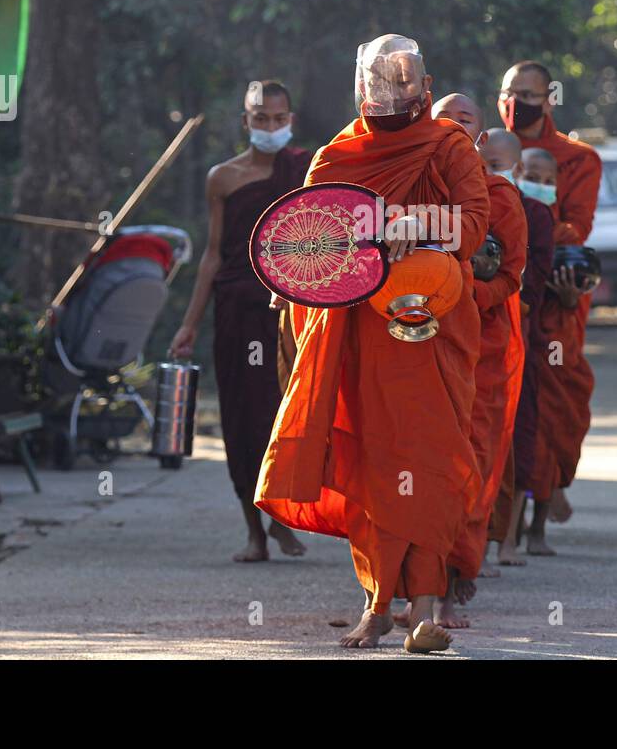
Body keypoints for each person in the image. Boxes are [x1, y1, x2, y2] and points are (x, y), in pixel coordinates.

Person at [254, 35, 488, 653]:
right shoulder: (338, 155)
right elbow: (309, 236)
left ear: (426, 85)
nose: (391, 97)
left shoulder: (448, 145)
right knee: (372, 464)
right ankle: (377, 604)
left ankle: (427, 608)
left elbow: (475, 220)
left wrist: (423, 226)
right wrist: (300, 277)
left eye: (402, 83)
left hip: (430, 327)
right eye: (380, 86)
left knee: (431, 459)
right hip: (359, 332)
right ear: (360, 90)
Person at [170, 80, 310, 563]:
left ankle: (282, 519)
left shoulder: (307, 170)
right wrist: (189, 323)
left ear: (290, 120)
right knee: (242, 419)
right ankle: (254, 531)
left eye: (278, 118)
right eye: (260, 118)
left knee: (286, 416)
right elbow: (212, 255)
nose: (270, 127)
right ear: (244, 120)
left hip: (291, 310)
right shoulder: (222, 178)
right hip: (236, 309)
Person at [429, 95, 526, 628]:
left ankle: (452, 584)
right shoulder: (411, 190)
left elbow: (510, 276)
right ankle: (409, 591)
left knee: (471, 465)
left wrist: (462, 293)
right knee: (416, 467)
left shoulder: (500, 198)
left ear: (481, 138)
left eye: (463, 120)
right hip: (416, 344)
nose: (451, 127)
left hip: (480, 354)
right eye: (442, 119)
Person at [500, 61, 601, 552]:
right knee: (508, 404)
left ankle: (539, 519)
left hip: (558, 293)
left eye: (530, 94)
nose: (520, 103)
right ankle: (505, 523)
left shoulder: (579, 159)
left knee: (559, 398)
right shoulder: (490, 150)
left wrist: (541, 236)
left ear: (549, 100)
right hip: (504, 292)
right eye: (511, 93)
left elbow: (576, 229)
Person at [478, 131, 554, 566]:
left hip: (514, 332)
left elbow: (531, 279)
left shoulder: (533, 214)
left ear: (518, 170)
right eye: (483, 165)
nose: (490, 174)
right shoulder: (463, 204)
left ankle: (508, 537)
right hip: (466, 331)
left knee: (516, 433)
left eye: (498, 166)